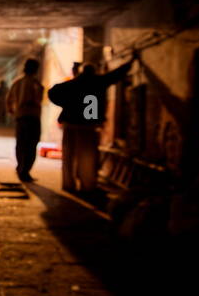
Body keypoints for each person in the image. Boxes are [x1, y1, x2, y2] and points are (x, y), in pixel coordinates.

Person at [48, 55, 137, 194]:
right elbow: (116, 75)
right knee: (87, 158)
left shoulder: (73, 84)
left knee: (69, 155)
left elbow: (52, 92)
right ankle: (87, 186)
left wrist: (66, 104)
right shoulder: (98, 82)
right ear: (94, 72)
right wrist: (130, 62)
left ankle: (68, 184)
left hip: (70, 123)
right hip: (88, 124)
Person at [6, 58, 44, 182]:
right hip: (32, 116)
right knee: (31, 144)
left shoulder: (17, 82)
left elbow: (9, 98)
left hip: (20, 116)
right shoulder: (34, 83)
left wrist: (12, 110)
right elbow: (35, 98)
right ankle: (25, 170)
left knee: (21, 143)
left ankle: (21, 168)